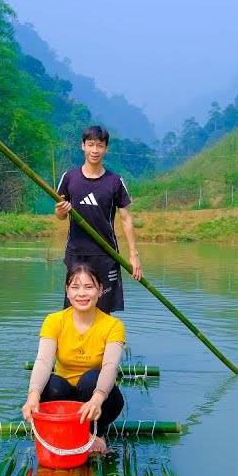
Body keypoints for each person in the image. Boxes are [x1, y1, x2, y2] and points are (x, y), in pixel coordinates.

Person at [22, 263, 126, 453]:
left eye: (89, 287)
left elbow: (110, 366)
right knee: (50, 386)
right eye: (75, 287)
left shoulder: (113, 325)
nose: (82, 294)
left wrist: (97, 399)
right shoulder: (54, 321)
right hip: (65, 398)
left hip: (100, 398)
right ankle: (64, 427)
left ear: (100, 290)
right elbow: (44, 362)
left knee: (90, 380)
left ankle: (96, 432)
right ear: (67, 291)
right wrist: (33, 396)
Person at [55, 125, 142, 313]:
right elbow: (61, 216)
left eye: (100, 146)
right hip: (76, 253)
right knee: (75, 307)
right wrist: (61, 210)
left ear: (106, 149)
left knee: (103, 309)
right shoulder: (69, 178)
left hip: (106, 253)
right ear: (83, 146)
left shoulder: (115, 181)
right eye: (91, 145)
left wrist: (133, 255)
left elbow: (126, 219)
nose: (95, 150)